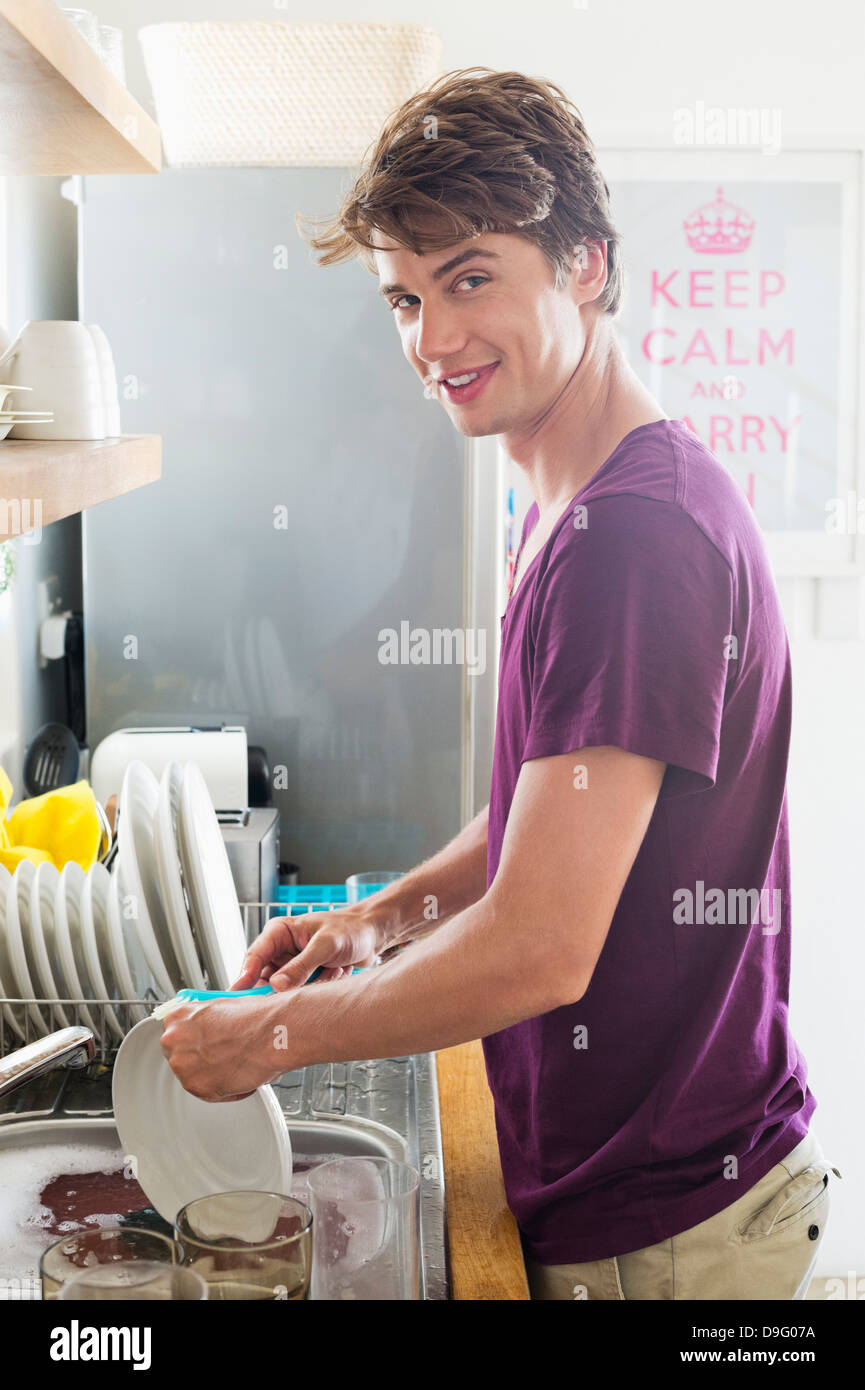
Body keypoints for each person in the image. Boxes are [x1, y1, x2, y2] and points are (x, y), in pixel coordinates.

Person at [160, 68, 839, 1300]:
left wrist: (270, 1037)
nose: (431, 340)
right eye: (403, 298)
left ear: (582, 261)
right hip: (632, 1183)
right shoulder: (566, 502)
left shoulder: (637, 540)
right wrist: (378, 919)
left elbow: (537, 949)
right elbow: (553, 813)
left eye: (469, 277)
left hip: (669, 1226)